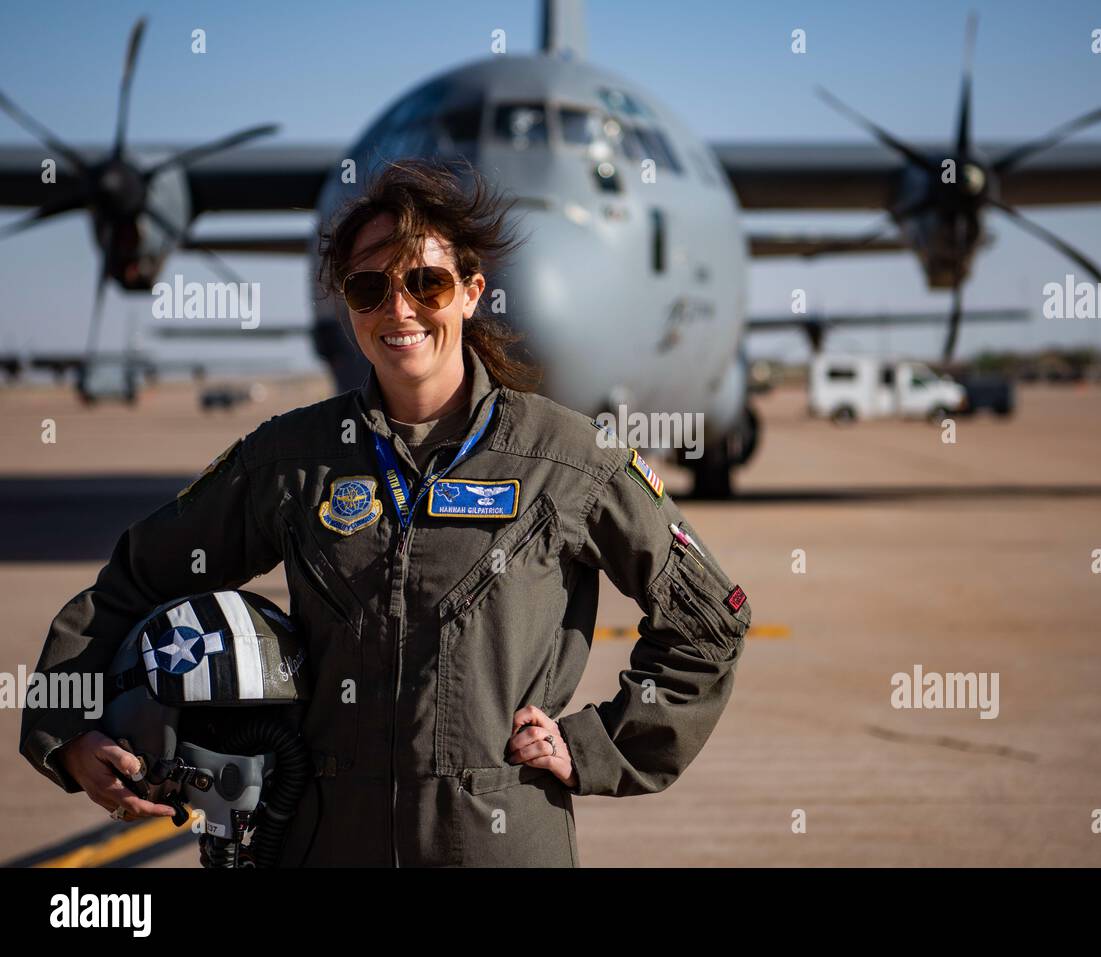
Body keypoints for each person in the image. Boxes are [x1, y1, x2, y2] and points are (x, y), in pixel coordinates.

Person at [18, 159, 751, 866]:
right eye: (369, 288)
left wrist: (597, 744)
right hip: (325, 838)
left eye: (426, 282)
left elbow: (709, 619)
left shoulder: (566, 458)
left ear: (471, 291)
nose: (398, 309)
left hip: (498, 838)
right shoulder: (291, 460)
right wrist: (67, 730)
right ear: (348, 306)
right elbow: (134, 580)